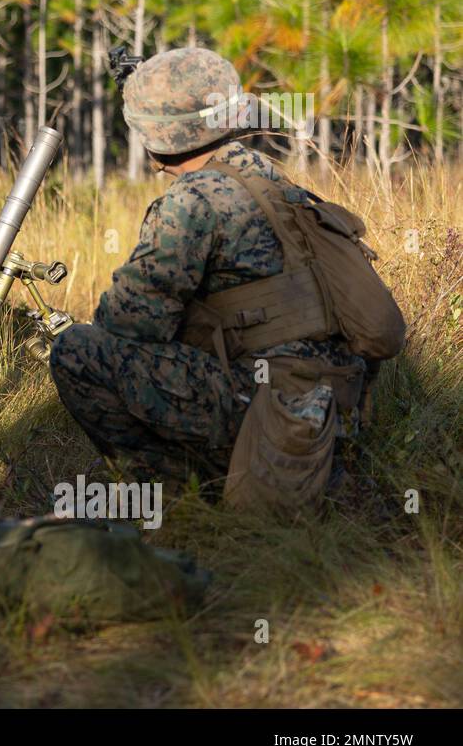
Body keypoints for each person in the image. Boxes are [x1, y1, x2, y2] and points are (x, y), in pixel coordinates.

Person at [48, 47, 393, 500]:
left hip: (264, 403)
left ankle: (178, 492)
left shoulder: (193, 199)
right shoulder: (268, 177)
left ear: (157, 136)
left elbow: (130, 322)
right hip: (333, 399)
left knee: (78, 350)